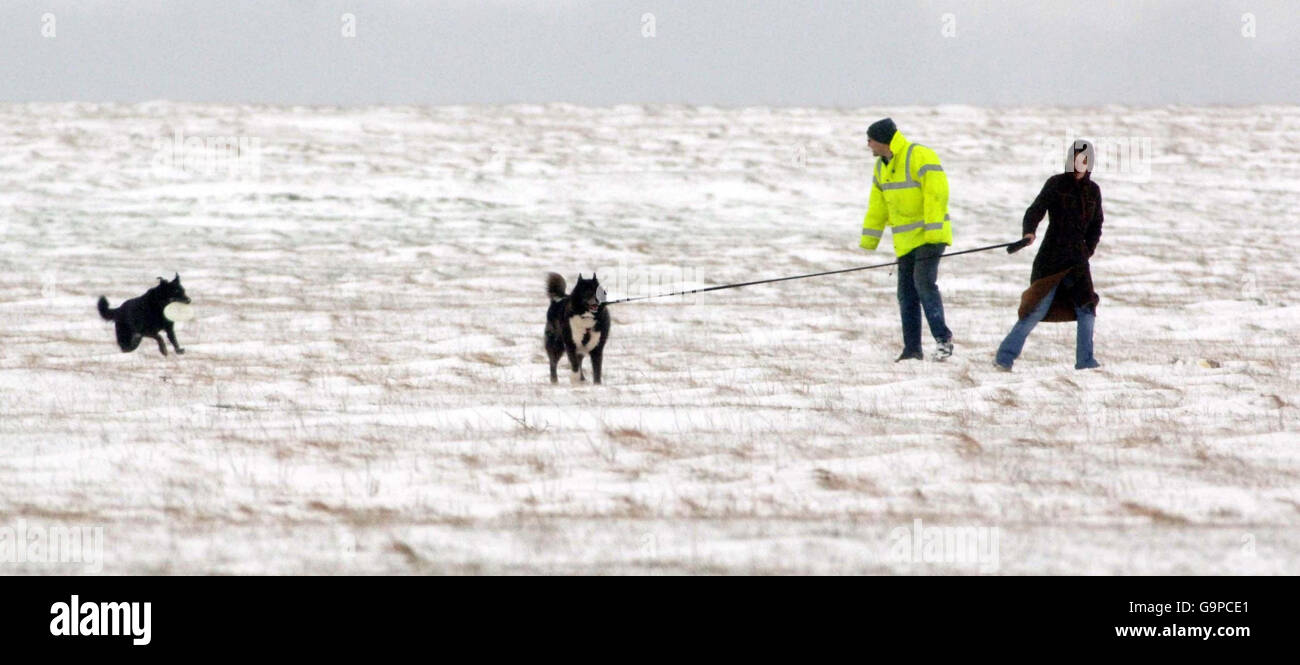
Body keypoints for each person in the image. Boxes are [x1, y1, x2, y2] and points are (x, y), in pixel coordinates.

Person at [994, 139, 1104, 371]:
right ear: (1070, 159)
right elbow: (1036, 210)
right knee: (1036, 309)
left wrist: (1088, 249)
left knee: (1087, 308)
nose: (1081, 163)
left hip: (1078, 261)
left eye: (1086, 159)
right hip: (1052, 259)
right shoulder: (1056, 183)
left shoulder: (1093, 191)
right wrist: (1029, 232)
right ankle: (1004, 357)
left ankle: (1085, 361)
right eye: (1077, 158)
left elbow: (1096, 225)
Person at [860, 117, 954, 362]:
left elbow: (937, 193)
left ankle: (943, 340)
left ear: (882, 140)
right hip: (906, 241)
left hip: (930, 237)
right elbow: (877, 206)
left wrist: (933, 232)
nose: (868, 144)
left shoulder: (920, 155)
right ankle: (912, 350)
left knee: (924, 285)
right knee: (906, 294)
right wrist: (869, 239)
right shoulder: (881, 166)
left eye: (870, 139)